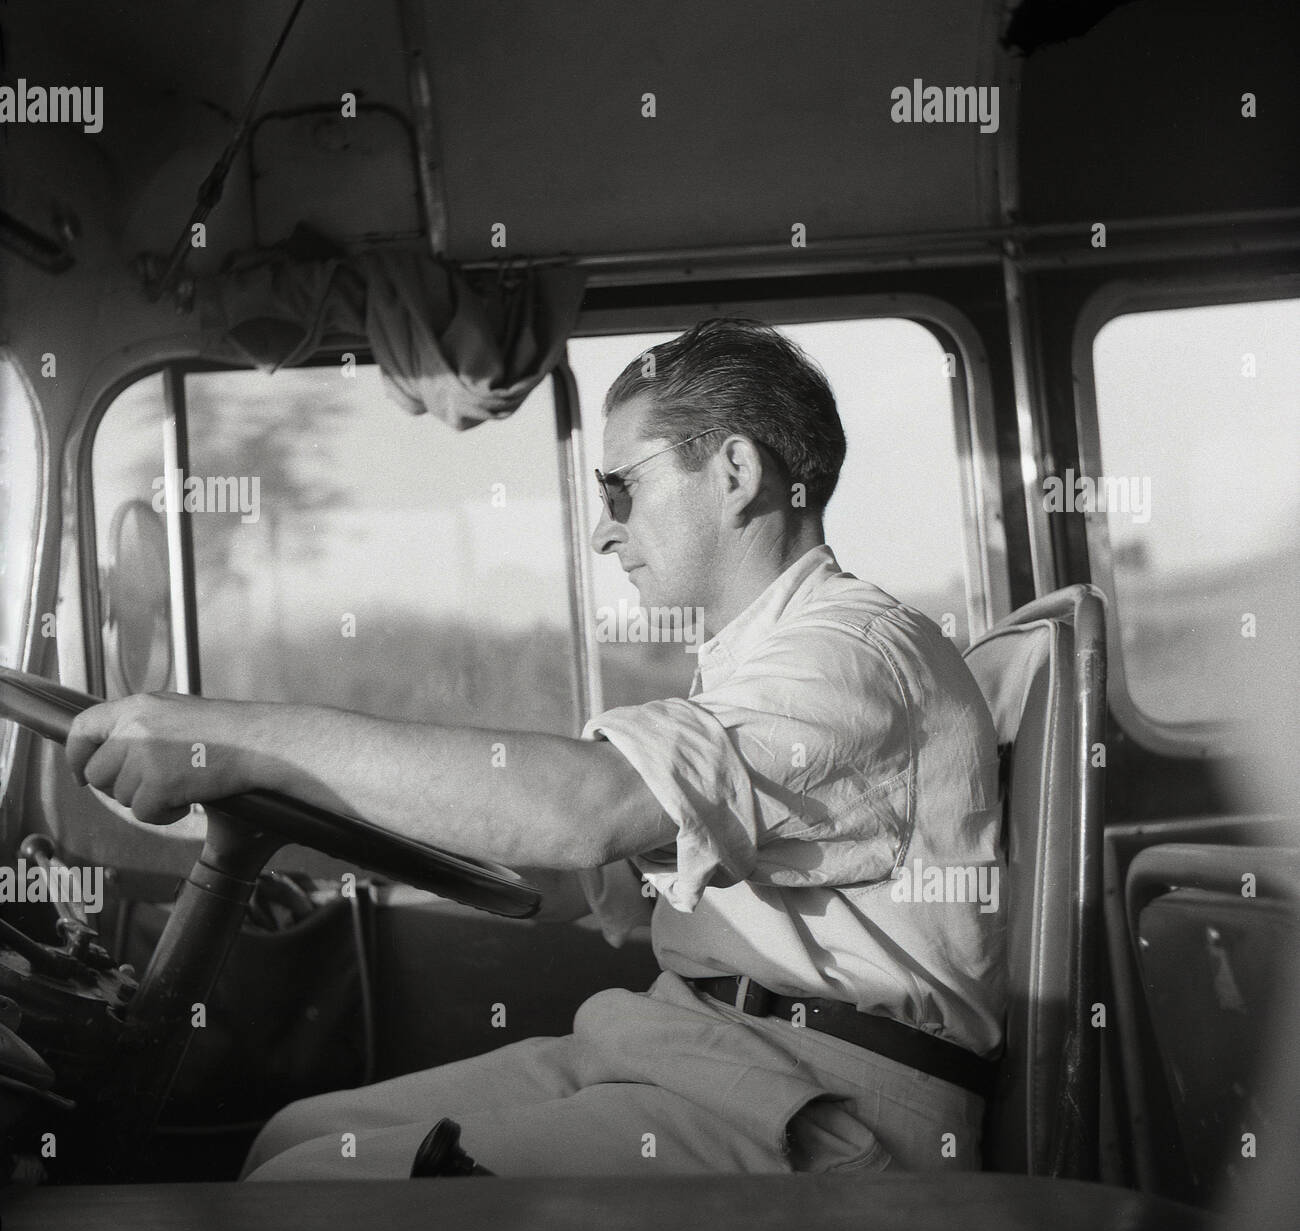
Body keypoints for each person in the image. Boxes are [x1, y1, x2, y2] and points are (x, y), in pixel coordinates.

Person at [66, 319, 1005, 1181]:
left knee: (303, 1189)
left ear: (733, 472)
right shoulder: (761, 663)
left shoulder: (848, 657)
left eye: (620, 487)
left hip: (831, 1110)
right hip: (706, 1049)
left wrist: (235, 739)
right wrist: (325, 801)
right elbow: (569, 869)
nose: (604, 528)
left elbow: (581, 811)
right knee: (293, 1139)